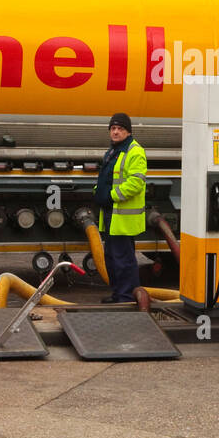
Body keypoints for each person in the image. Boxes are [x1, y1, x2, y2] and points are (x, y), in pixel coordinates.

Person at [94, 112, 148, 306]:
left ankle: (126, 298)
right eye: (113, 128)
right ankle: (117, 294)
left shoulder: (135, 151)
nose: (116, 132)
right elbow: (106, 178)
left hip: (123, 218)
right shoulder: (113, 151)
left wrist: (111, 195)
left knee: (123, 259)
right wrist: (98, 191)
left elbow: (136, 183)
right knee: (111, 258)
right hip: (111, 214)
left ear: (128, 131)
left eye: (120, 129)